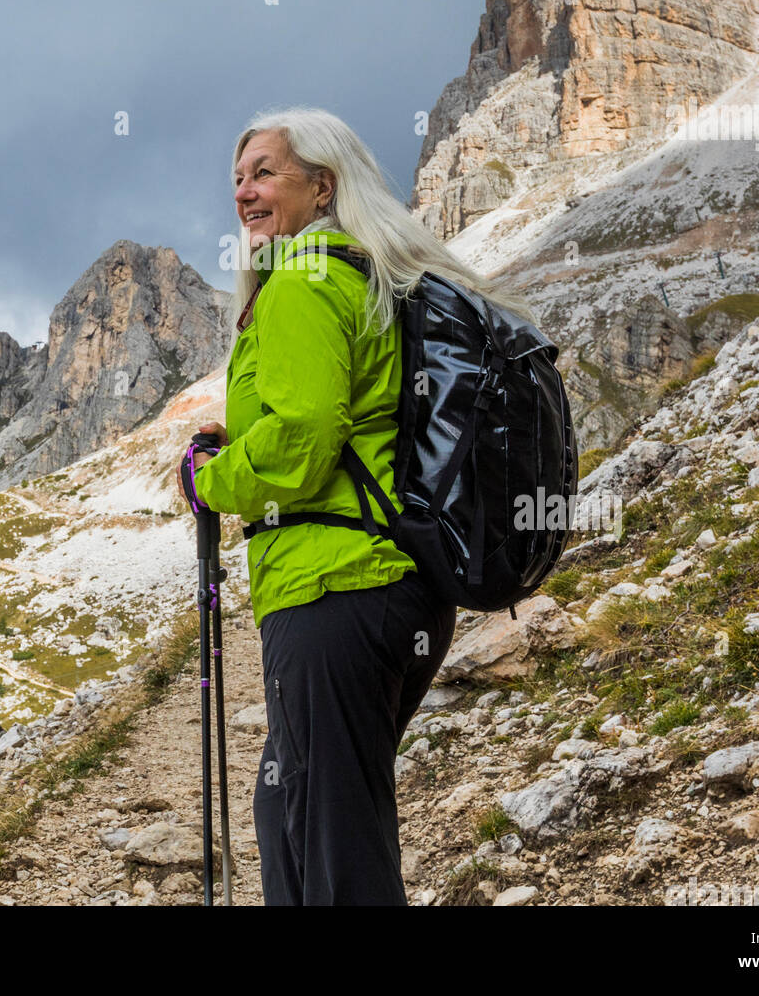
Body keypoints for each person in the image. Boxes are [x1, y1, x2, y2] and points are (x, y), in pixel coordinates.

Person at [175, 105, 531, 906]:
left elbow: (304, 439)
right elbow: (344, 413)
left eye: (265, 171)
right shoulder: (362, 273)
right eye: (237, 177)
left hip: (336, 587)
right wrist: (236, 441)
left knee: (336, 840)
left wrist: (212, 481)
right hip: (389, 592)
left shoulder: (303, 275)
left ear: (322, 184)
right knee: (292, 809)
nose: (244, 191)